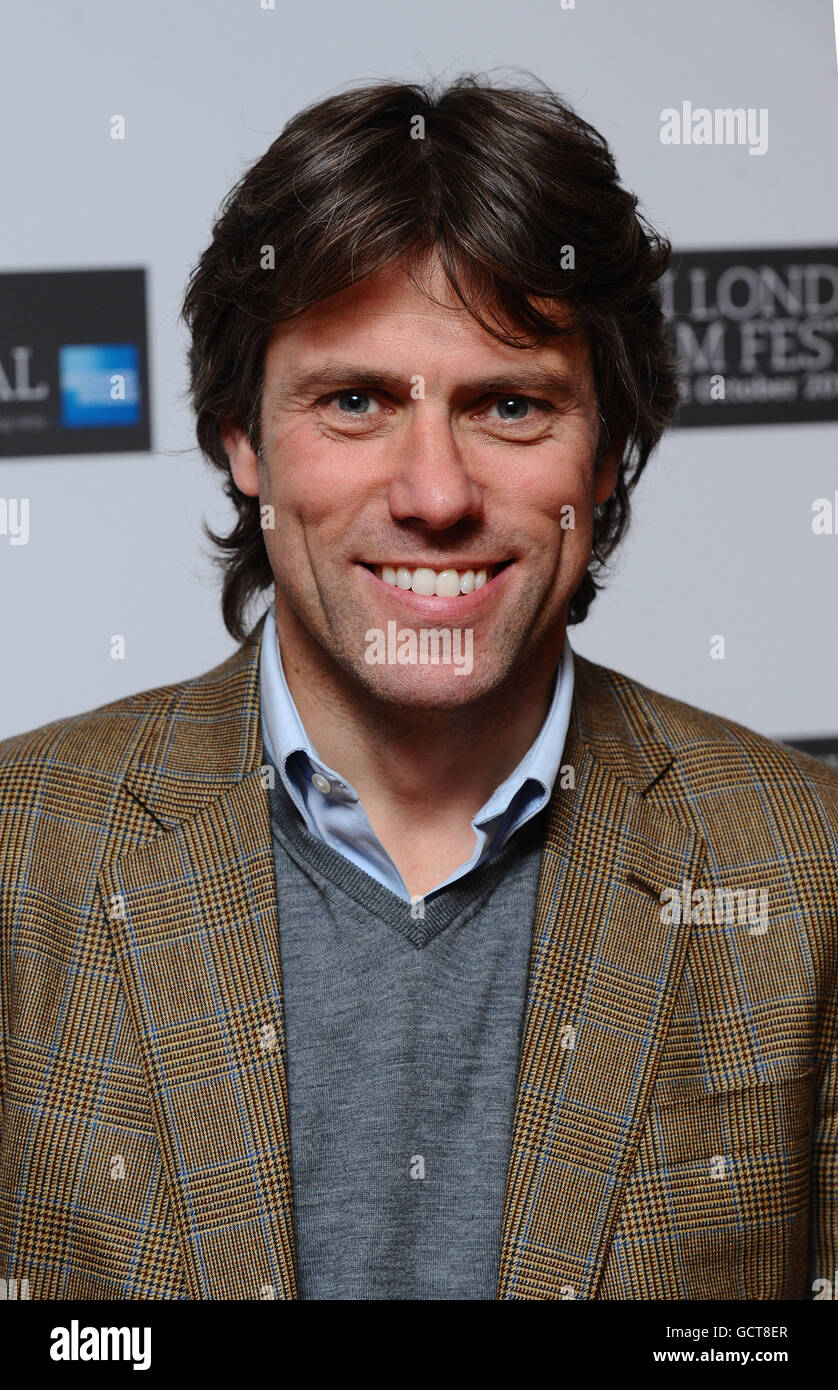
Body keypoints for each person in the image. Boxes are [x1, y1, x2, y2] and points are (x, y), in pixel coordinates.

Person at [0, 75, 835, 1302]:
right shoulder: (20, 858)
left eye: (510, 404)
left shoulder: (806, 870)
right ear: (240, 437)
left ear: (605, 454)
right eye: (354, 401)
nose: (433, 494)